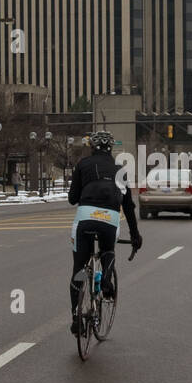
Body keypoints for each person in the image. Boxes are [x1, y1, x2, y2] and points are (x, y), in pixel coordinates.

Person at [67, 130, 142, 333]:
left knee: (79, 269)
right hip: (110, 218)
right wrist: (135, 235)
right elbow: (128, 207)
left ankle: (76, 317)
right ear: (111, 149)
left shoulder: (83, 165)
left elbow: (72, 198)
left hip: (85, 216)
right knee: (108, 250)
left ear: (92, 147)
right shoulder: (120, 171)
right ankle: (107, 279)